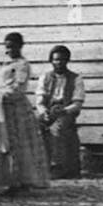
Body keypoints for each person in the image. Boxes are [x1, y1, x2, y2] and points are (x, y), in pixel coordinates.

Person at [0, 33, 50, 191]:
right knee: (1, 141)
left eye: (13, 46)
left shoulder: (22, 65)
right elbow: (0, 84)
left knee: (17, 142)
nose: (9, 49)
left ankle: (22, 181)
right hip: (0, 107)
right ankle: (8, 180)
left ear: (20, 46)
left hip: (14, 107)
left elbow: (18, 87)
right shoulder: (4, 64)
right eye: (7, 46)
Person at [35, 46, 82, 182]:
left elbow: (77, 103)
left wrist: (65, 111)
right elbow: (39, 101)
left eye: (62, 59)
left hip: (66, 111)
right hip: (48, 111)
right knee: (34, 126)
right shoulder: (45, 77)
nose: (59, 63)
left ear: (67, 60)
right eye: (56, 60)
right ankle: (39, 166)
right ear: (51, 61)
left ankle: (57, 167)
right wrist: (44, 113)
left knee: (57, 129)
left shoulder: (76, 78)